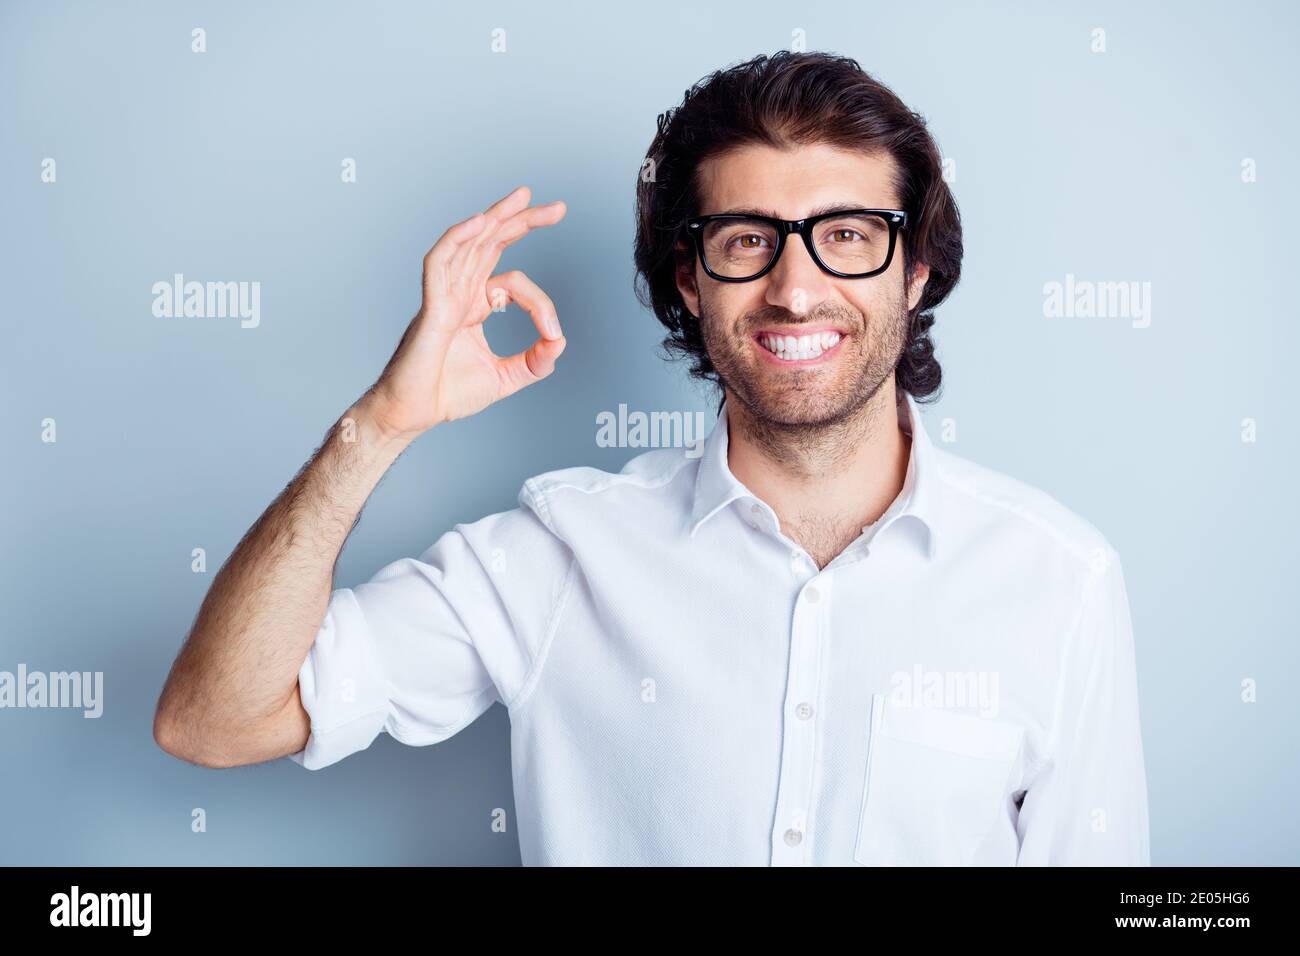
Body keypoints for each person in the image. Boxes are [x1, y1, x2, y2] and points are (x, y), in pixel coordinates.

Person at [154, 51, 1150, 866]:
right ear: (688, 279)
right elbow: (214, 718)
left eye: (846, 235)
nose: (795, 289)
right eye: (747, 239)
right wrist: (380, 424)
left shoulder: (1059, 580)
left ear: (916, 271)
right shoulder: (557, 554)